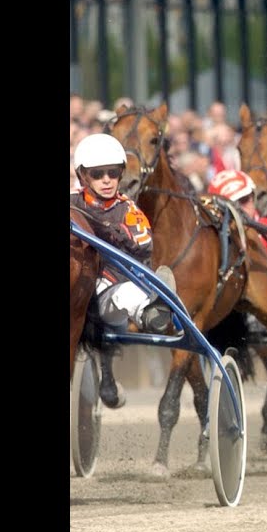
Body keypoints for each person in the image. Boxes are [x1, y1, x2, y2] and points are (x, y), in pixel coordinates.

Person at [70, 132, 177, 409]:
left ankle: (153, 308)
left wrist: (110, 232)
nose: (106, 180)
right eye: (97, 174)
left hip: (109, 297)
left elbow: (143, 245)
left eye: (113, 173)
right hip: (79, 293)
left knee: (122, 295)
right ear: (83, 176)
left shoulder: (129, 210)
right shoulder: (72, 202)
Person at [207, 170, 267, 329]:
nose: (240, 209)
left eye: (244, 200)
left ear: (253, 197)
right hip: (232, 312)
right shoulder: (214, 242)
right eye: (232, 205)